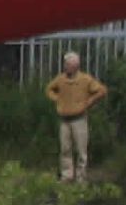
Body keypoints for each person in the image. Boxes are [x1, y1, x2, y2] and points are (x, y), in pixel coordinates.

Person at [45, 51, 108, 183]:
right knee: (65, 149)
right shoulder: (60, 79)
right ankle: (67, 176)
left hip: (79, 119)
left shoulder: (85, 79)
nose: (65, 67)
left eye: (68, 64)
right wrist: (57, 99)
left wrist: (89, 102)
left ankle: (81, 178)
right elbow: (49, 89)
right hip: (64, 120)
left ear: (75, 66)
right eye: (65, 64)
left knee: (81, 150)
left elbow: (101, 91)